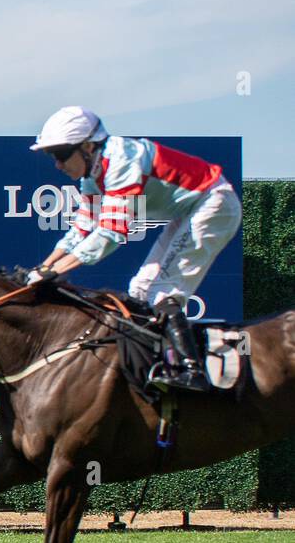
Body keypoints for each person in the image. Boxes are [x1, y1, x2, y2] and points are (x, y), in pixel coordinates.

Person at [27, 106, 241, 392]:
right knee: (140, 290)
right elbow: (81, 229)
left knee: (162, 292)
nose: (57, 164)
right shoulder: (92, 173)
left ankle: (192, 371)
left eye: (62, 154)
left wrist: (56, 272)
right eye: (52, 156)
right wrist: (45, 266)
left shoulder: (122, 163)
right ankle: (161, 366)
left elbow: (110, 234)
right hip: (189, 209)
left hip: (213, 204)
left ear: (88, 146)